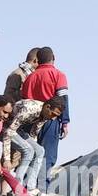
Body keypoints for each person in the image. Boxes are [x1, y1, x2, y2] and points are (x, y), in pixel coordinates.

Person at [21, 47, 71, 188]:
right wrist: (65, 122)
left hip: (30, 121)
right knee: (48, 157)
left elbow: (25, 100)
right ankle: (42, 190)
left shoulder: (30, 77)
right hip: (51, 120)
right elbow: (63, 100)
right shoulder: (58, 75)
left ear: (38, 60)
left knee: (30, 155)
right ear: (53, 58)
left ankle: (25, 189)